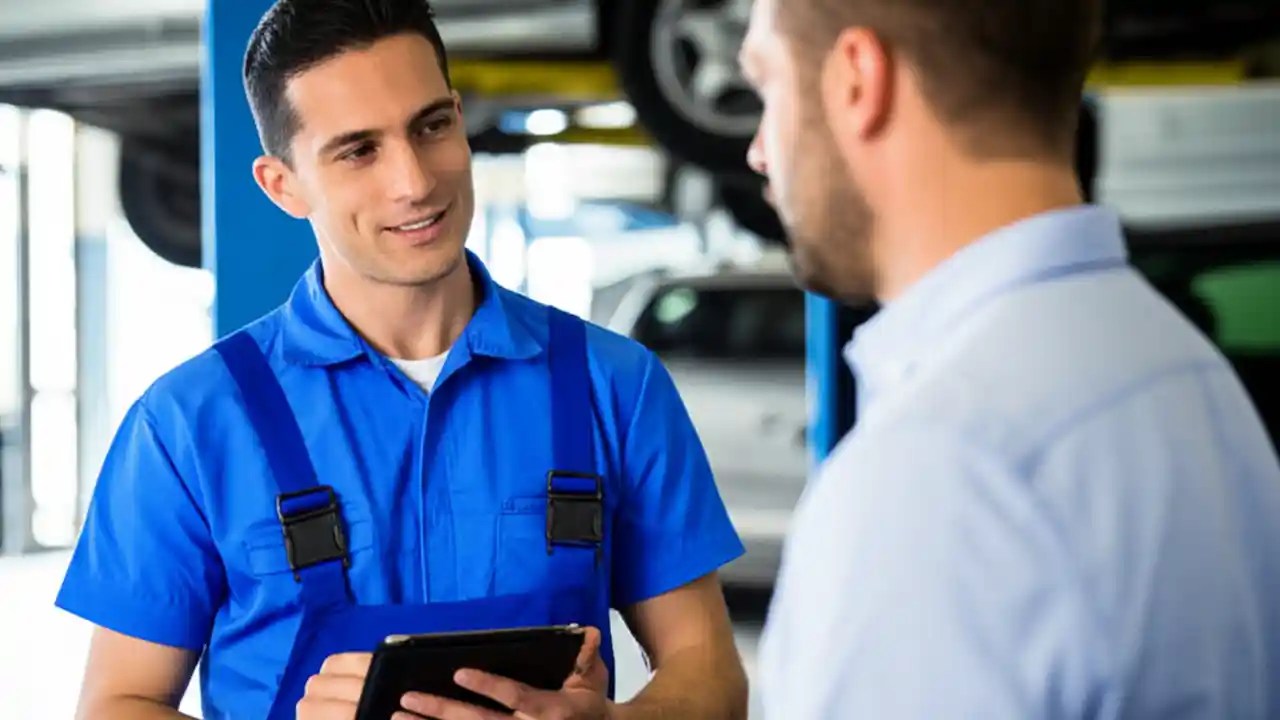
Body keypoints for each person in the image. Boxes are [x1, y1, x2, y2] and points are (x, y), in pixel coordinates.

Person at [55, 2, 750, 718]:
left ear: (458, 116)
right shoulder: (189, 425)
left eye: (431, 126)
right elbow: (118, 702)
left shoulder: (616, 387)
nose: (414, 182)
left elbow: (710, 675)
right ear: (282, 185)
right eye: (359, 150)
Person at [738, 0, 1280, 717]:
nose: (757, 151)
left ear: (856, 80)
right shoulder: (1189, 375)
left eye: (768, 84)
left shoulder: (942, 469)